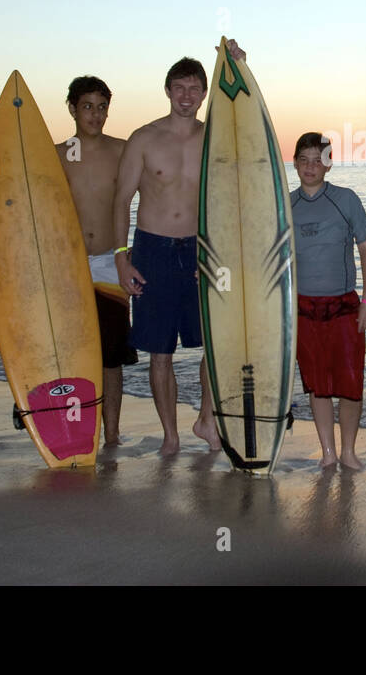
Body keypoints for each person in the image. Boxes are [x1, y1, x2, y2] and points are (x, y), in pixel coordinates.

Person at [112, 40, 245, 455]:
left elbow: (247, 122)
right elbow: (121, 200)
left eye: (195, 88)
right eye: (179, 87)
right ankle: (170, 435)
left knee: (216, 341)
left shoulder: (217, 138)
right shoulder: (144, 138)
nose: (187, 96)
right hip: (152, 249)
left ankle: (206, 419)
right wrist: (121, 257)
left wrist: (239, 67)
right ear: (167, 90)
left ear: (205, 93)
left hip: (202, 249)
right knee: (160, 351)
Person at [55, 76, 134, 448]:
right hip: (67, 266)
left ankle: (113, 434)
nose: (96, 114)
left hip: (109, 261)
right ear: (72, 108)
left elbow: (165, 186)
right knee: (71, 353)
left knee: (111, 355)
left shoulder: (122, 150)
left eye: (102, 107)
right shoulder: (55, 154)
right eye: (88, 106)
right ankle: (74, 428)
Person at [290, 132, 366, 469]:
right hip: (302, 308)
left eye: (318, 159)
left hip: (343, 307)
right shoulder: (286, 204)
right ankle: (327, 452)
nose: (310, 166)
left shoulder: (347, 199)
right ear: (295, 162)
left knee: (350, 383)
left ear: (328, 163)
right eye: (304, 159)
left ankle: (349, 451)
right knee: (317, 383)